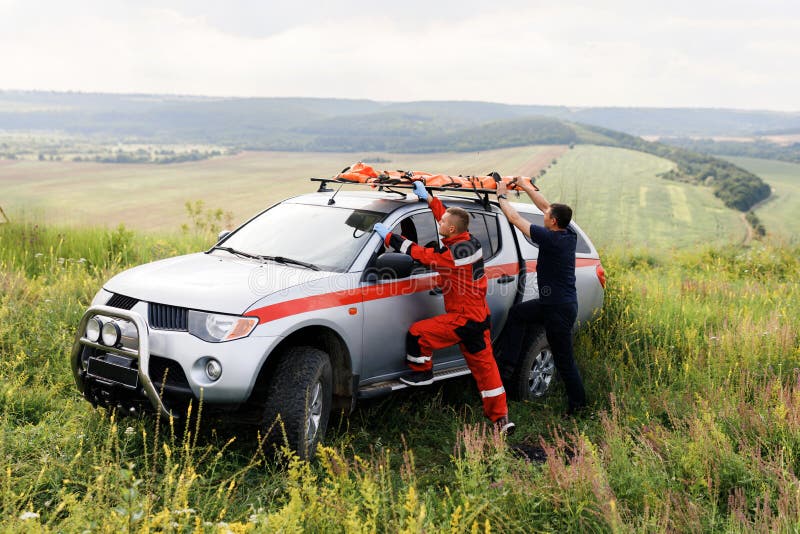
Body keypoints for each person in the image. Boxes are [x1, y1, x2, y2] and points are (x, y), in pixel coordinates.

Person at [373, 182, 515, 434]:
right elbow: (447, 218)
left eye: (443, 224)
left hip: (463, 320)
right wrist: (430, 199)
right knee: (488, 373)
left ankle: (423, 373)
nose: (439, 224)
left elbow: (419, 253)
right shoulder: (469, 240)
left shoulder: (451, 257)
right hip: (479, 317)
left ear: (451, 230)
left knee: (419, 334)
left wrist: (389, 237)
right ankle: (501, 420)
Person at [495, 178, 587, 416]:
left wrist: (501, 196)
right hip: (555, 303)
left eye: (547, 216)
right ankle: (508, 366)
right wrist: (525, 187)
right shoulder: (567, 233)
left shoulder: (551, 239)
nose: (544, 215)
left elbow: (515, 219)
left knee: (564, 360)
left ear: (553, 222)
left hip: (558, 308)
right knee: (517, 314)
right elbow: (545, 206)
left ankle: (578, 406)